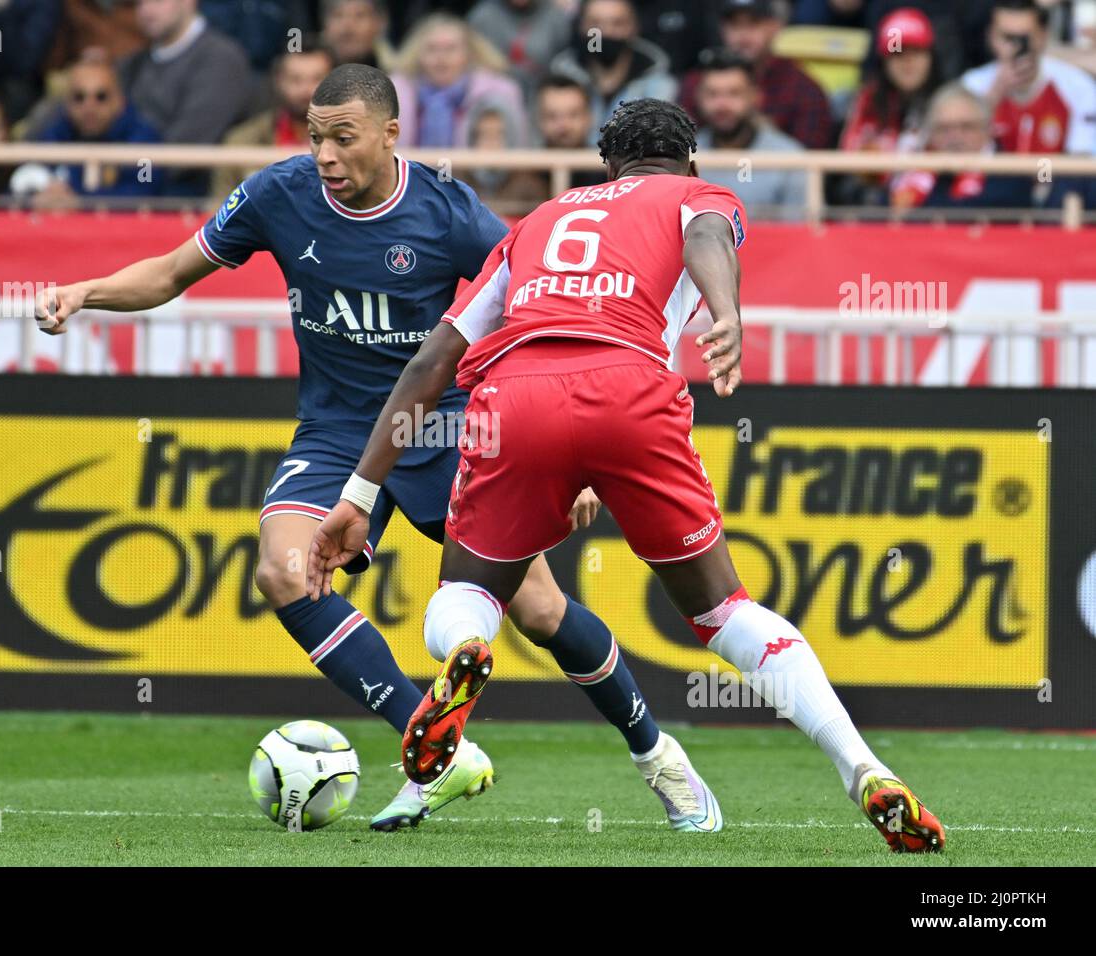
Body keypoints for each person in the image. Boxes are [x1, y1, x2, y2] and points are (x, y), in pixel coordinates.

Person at [33, 65, 678, 832]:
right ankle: (436, 744)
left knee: (538, 609)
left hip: (442, 428)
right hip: (338, 429)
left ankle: (656, 751)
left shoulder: (447, 211)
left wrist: (571, 456)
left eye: (342, 138)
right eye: (315, 137)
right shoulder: (279, 195)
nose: (326, 155)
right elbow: (174, 272)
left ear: (389, 134)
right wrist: (85, 291)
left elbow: (541, 311)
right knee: (284, 570)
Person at [308, 97, 948, 854]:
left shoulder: (539, 222)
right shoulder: (696, 196)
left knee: (468, 592)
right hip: (630, 391)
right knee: (722, 614)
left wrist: (358, 492)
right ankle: (861, 767)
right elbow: (709, 233)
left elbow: (432, 359)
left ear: (605, 167)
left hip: (515, 397)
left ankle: (462, 658)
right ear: (692, 164)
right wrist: (725, 311)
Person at [119, 0, 254, 194]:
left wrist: (121, 174)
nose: (146, 10)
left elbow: (185, 149)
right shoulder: (131, 64)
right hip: (134, 187)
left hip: (192, 200)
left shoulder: (222, 60)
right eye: (139, 2)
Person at [679, 0, 834, 149]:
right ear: (722, 28)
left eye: (754, 24)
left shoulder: (802, 87)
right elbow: (678, 145)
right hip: (705, 171)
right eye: (735, 25)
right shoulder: (696, 82)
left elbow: (808, 160)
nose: (743, 36)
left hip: (776, 172)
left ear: (775, 27)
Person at [960, 0, 1096, 154]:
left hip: (1051, 174)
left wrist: (1043, 176)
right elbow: (964, 157)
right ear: (991, 37)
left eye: (1024, 38)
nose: (1016, 47)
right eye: (1008, 37)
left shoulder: (1077, 86)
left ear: (1043, 36)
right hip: (992, 176)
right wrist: (993, 98)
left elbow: (1081, 158)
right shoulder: (971, 85)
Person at [837, 7, 941, 205]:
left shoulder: (947, 101)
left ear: (930, 57)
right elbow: (852, 158)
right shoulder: (869, 99)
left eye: (916, 52)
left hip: (935, 206)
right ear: (884, 62)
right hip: (877, 205)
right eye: (898, 54)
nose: (908, 63)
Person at [28, 59, 163, 207]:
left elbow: (144, 191)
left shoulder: (145, 140)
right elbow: (21, 182)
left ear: (120, 100)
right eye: (79, 97)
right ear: (66, 103)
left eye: (101, 97)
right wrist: (36, 197)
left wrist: (80, 202)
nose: (89, 107)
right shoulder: (55, 134)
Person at [210, 38, 335, 197]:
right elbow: (220, 211)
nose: (306, 90)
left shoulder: (355, 139)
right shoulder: (242, 140)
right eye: (295, 79)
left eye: (317, 79)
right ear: (278, 80)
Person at [693, 49, 807, 219]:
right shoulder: (685, 156)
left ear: (755, 97)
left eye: (734, 93)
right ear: (699, 97)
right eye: (712, 94)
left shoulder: (790, 157)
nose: (722, 105)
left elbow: (801, 233)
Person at [888, 82, 1036, 211]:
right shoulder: (917, 174)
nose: (955, 137)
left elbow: (977, 211)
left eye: (966, 127)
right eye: (944, 129)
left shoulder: (1011, 174)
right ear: (931, 135)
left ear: (987, 129)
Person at [390, 13, 526, 149]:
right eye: (432, 49)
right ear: (417, 55)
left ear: (469, 54)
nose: (441, 58)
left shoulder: (499, 94)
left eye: (451, 49)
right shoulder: (394, 92)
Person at [549, 0, 677, 142]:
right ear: (581, 26)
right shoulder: (561, 77)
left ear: (634, 27)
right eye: (595, 23)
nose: (606, 32)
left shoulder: (659, 86)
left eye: (617, 23)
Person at [534, 75, 604, 190]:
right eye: (552, 116)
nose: (563, 125)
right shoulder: (526, 175)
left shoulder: (608, 173)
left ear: (589, 117)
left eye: (573, 115)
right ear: (539, 120)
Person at [319, 0, 394, 70]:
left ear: (380, 24)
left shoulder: (396, 79)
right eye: (338, 15)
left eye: (359, 15)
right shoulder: (312, 79)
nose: (347, 25)